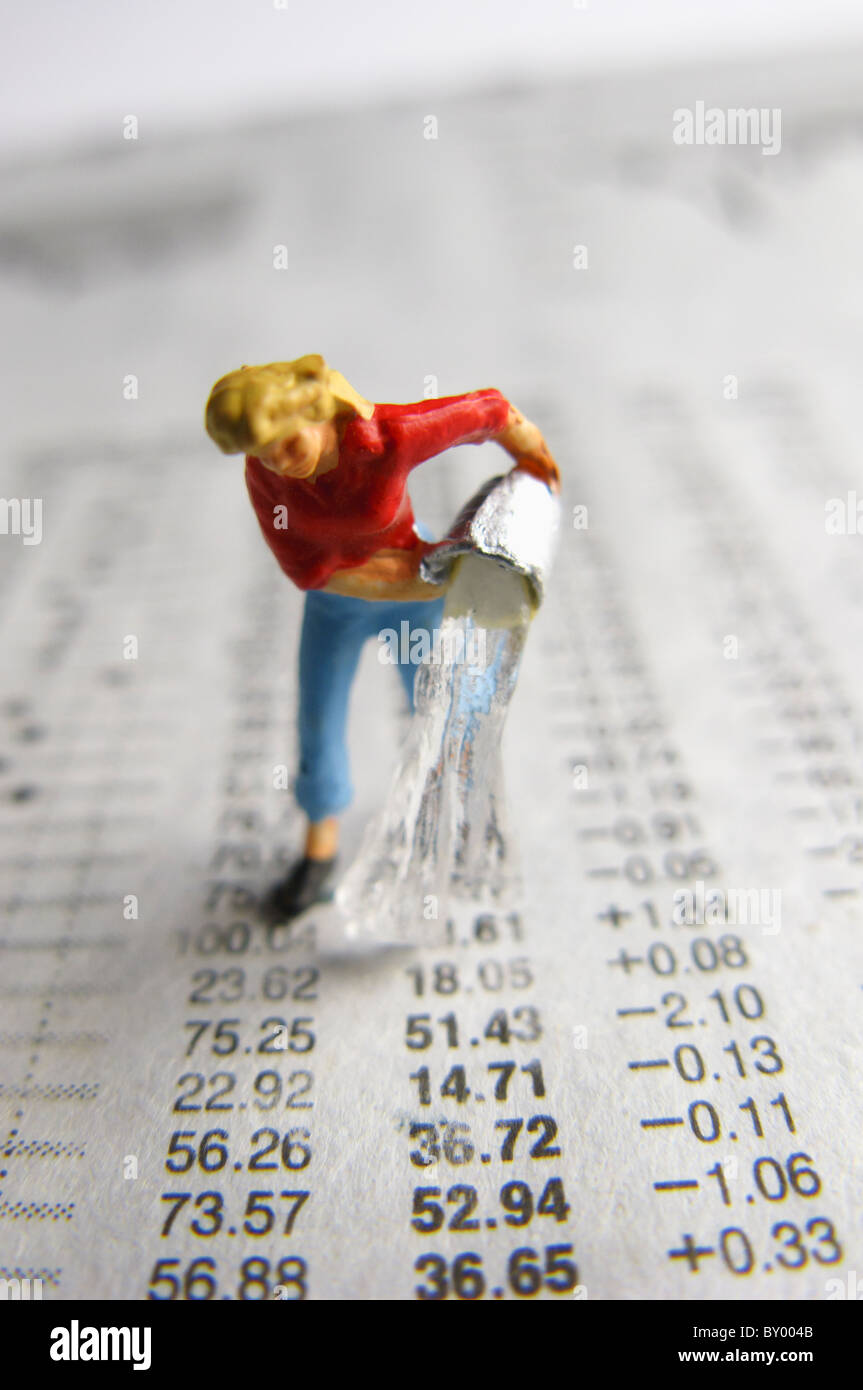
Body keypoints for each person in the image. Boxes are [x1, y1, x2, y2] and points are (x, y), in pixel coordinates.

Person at [205, 353, 559, 918]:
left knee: (444, 708)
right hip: (337, 608)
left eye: (287, 444)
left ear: (317, 413)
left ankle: (462, 826)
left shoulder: (386, 439)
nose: (278, 462)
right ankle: (319, 849)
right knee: (318, 720)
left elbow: (488, 410)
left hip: (414, 604)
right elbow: (304, 567)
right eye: (261, 451)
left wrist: (535, 458)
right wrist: (403, 579)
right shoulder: (265, 474)